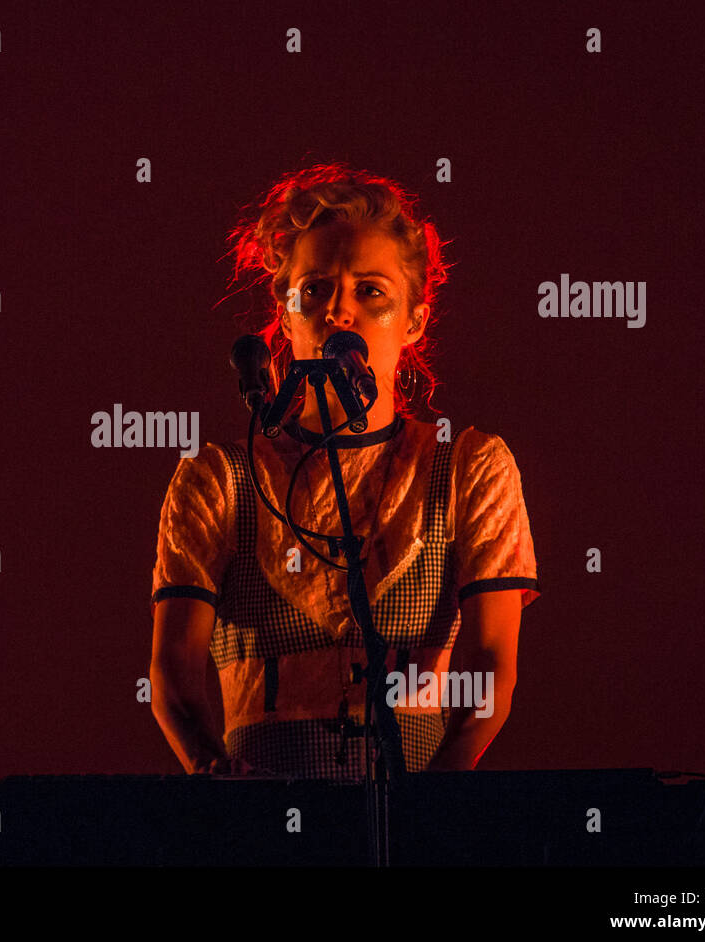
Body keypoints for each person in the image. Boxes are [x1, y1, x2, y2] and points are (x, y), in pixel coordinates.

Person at [149, 163, 540, 779]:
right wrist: (216, 779)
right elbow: (172, 674)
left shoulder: (469, 467)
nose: (339, 312)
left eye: (370, 290)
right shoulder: (217, 477)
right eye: (316, 289)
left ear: (414, 320)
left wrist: (434, 804)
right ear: (285, 313)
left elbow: (493, 662)